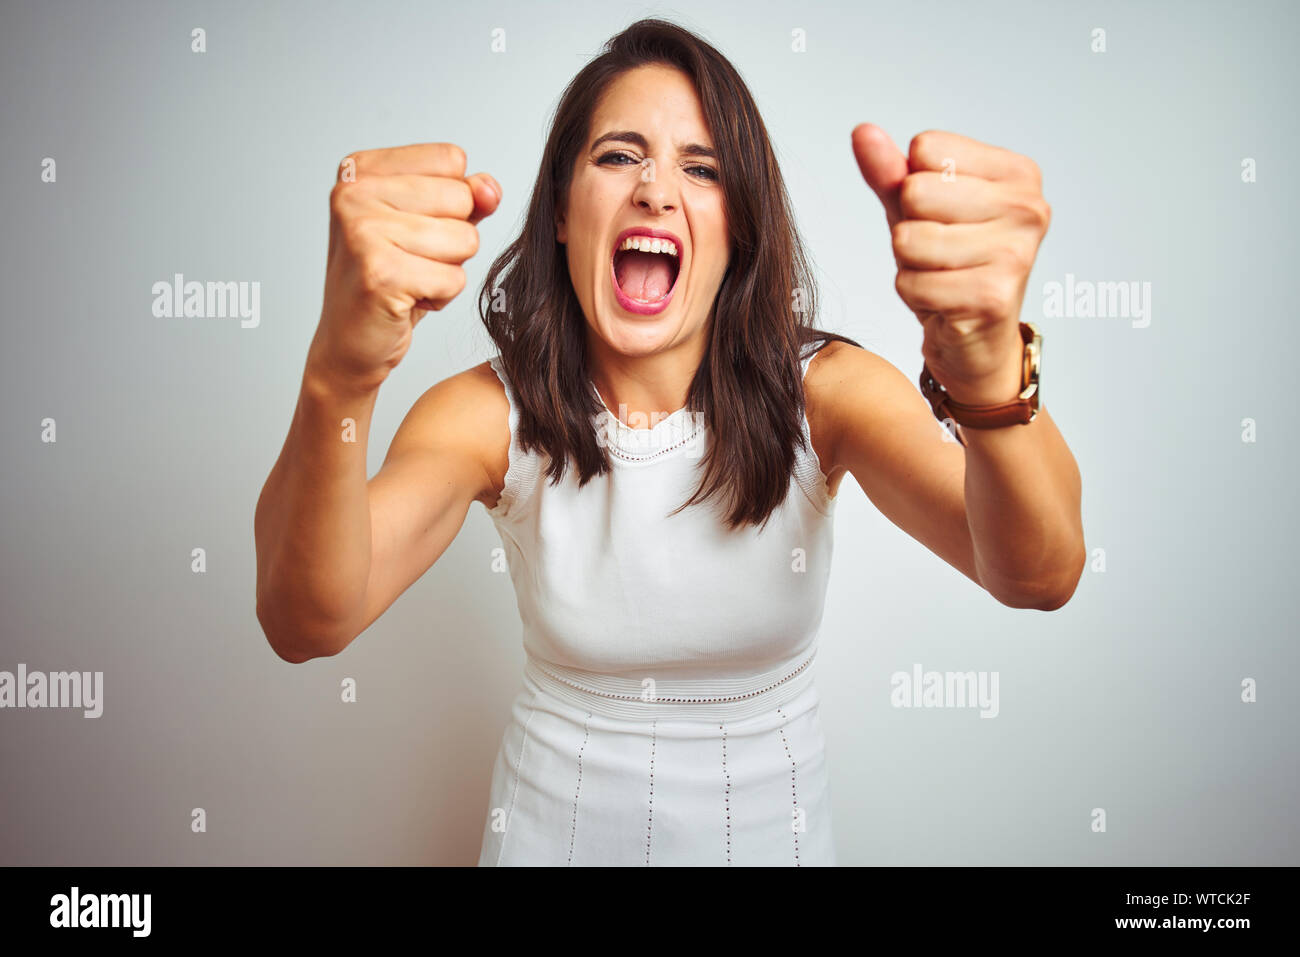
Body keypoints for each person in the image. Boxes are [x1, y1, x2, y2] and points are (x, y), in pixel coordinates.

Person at [254, 18, 1085, 866]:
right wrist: (339, 376)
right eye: (618, 156)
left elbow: (1038, 573)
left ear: (740, 231)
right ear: (561, 215)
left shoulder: (828, 392)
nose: (656, 188)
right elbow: (308, 618)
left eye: (703, 168)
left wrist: (987, 382)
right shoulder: (482, 416)